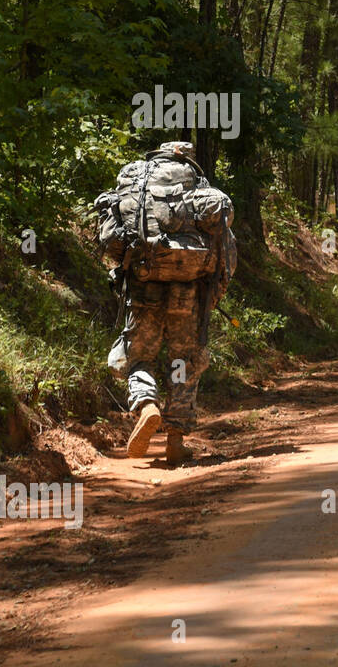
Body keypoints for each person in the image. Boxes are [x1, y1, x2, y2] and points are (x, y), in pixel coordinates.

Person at [95, 141, 236, 464]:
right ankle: (175, 440)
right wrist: (214, 296)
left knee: (137, 356)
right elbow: (226, 252)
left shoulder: (137, 185)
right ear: (187, 161)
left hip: (143, 284)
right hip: (188, 292)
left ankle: (146, 405)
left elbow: (114, 243)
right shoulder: (200, 193)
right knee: (183, 361)